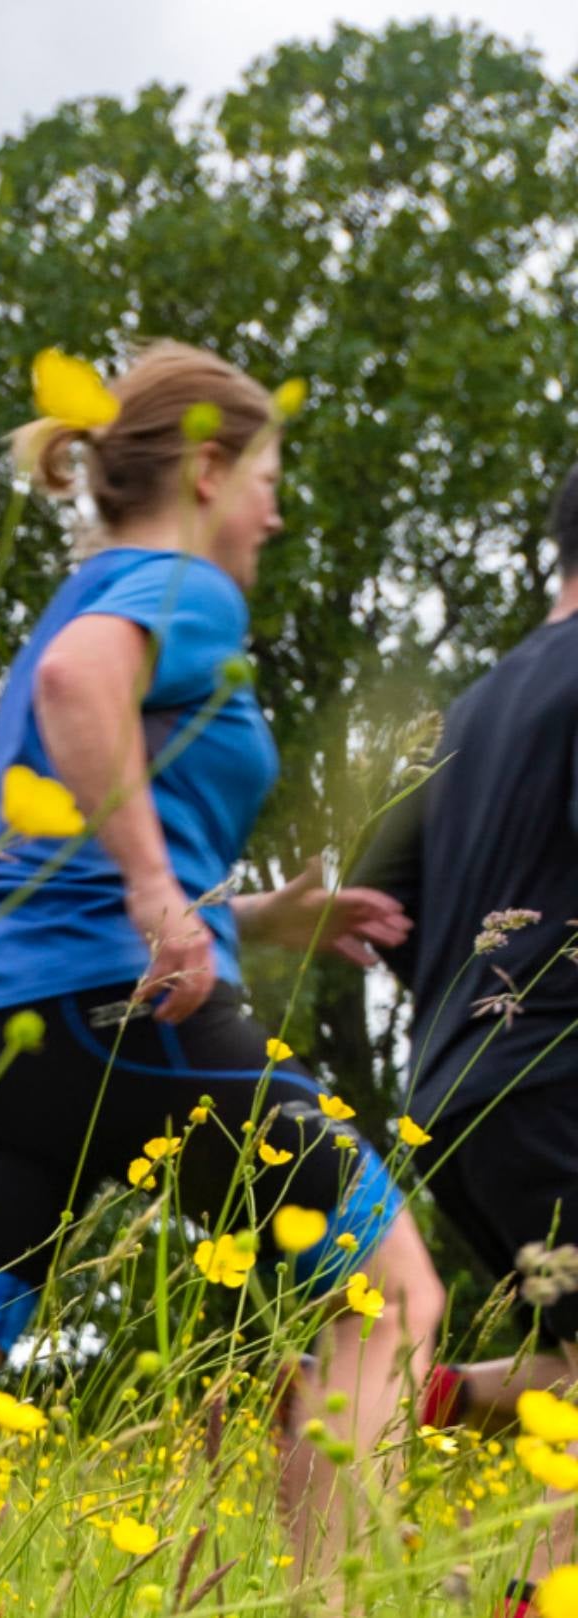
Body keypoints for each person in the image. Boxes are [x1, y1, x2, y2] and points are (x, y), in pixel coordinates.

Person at [0, 343, 446, 1618]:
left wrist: (253, 914)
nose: (274, 511)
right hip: (123, 1015)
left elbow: (77, 789)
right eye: (266, 476)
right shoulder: (180, 587)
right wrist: (166, 905)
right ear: (209, 470)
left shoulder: (88, 592)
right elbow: (79, 691)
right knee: (390, 1292)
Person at [353, 457, 578, 1601]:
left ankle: (444, 1395)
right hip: (556, 1069)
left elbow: (370, 900)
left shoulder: (471, 706)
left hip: (452, 1092)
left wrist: (464, 993)